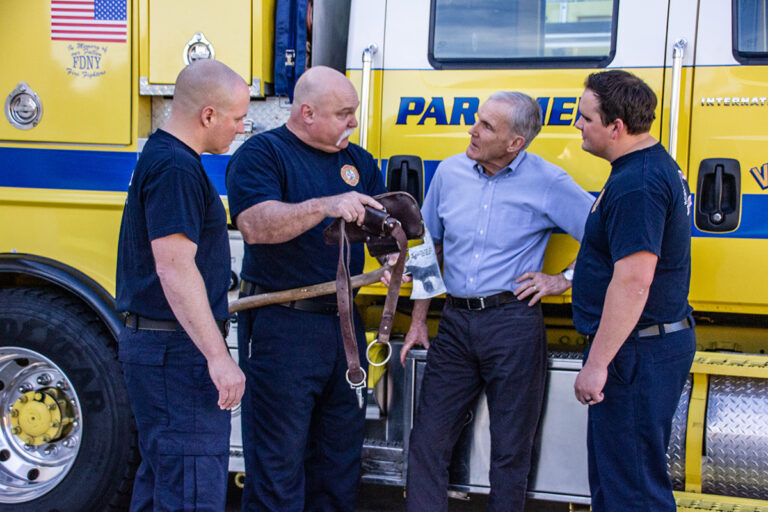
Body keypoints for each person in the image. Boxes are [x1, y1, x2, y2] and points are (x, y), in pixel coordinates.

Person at [400, 92, 595, 511]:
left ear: (515, 143)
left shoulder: (548, 181)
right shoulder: (449, 172)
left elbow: (605, 236)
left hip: (513, 324)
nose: (472, 130)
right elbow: (429, 249)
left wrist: (563, 280)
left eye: (486, 126)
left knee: (510, 450)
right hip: (454, 324)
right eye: (477, 119)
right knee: (427, 440)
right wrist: (418, 320)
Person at [225, 65, 387, 512]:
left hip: (345, 330)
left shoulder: (359, 162)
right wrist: (325, 206)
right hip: (283, 327)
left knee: (338, 465)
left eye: (354, 112)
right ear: (307, 112)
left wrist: (394, 259)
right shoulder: (263, 154)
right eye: (344, 113)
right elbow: (255, 226)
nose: (353, 122)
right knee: (278, 466)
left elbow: (382, 228)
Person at [115, 59, 248, 511]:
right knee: (189, 491)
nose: (241, 127)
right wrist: (219, 357)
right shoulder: (176, 168)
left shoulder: (164, 156)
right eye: (237, 118)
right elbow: (174, 269)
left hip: (163, 352)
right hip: (177, 356)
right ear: (208, 115)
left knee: (164, 484)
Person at [572, 70, 696, 511]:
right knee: (618, 485)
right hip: (642, 347)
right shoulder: (647, 167)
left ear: (616, 127)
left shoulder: (636, 184)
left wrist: (597, 364)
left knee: (633, 492)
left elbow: (633, 281)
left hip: (635, 353)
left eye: (586, 118)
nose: (578, 125)